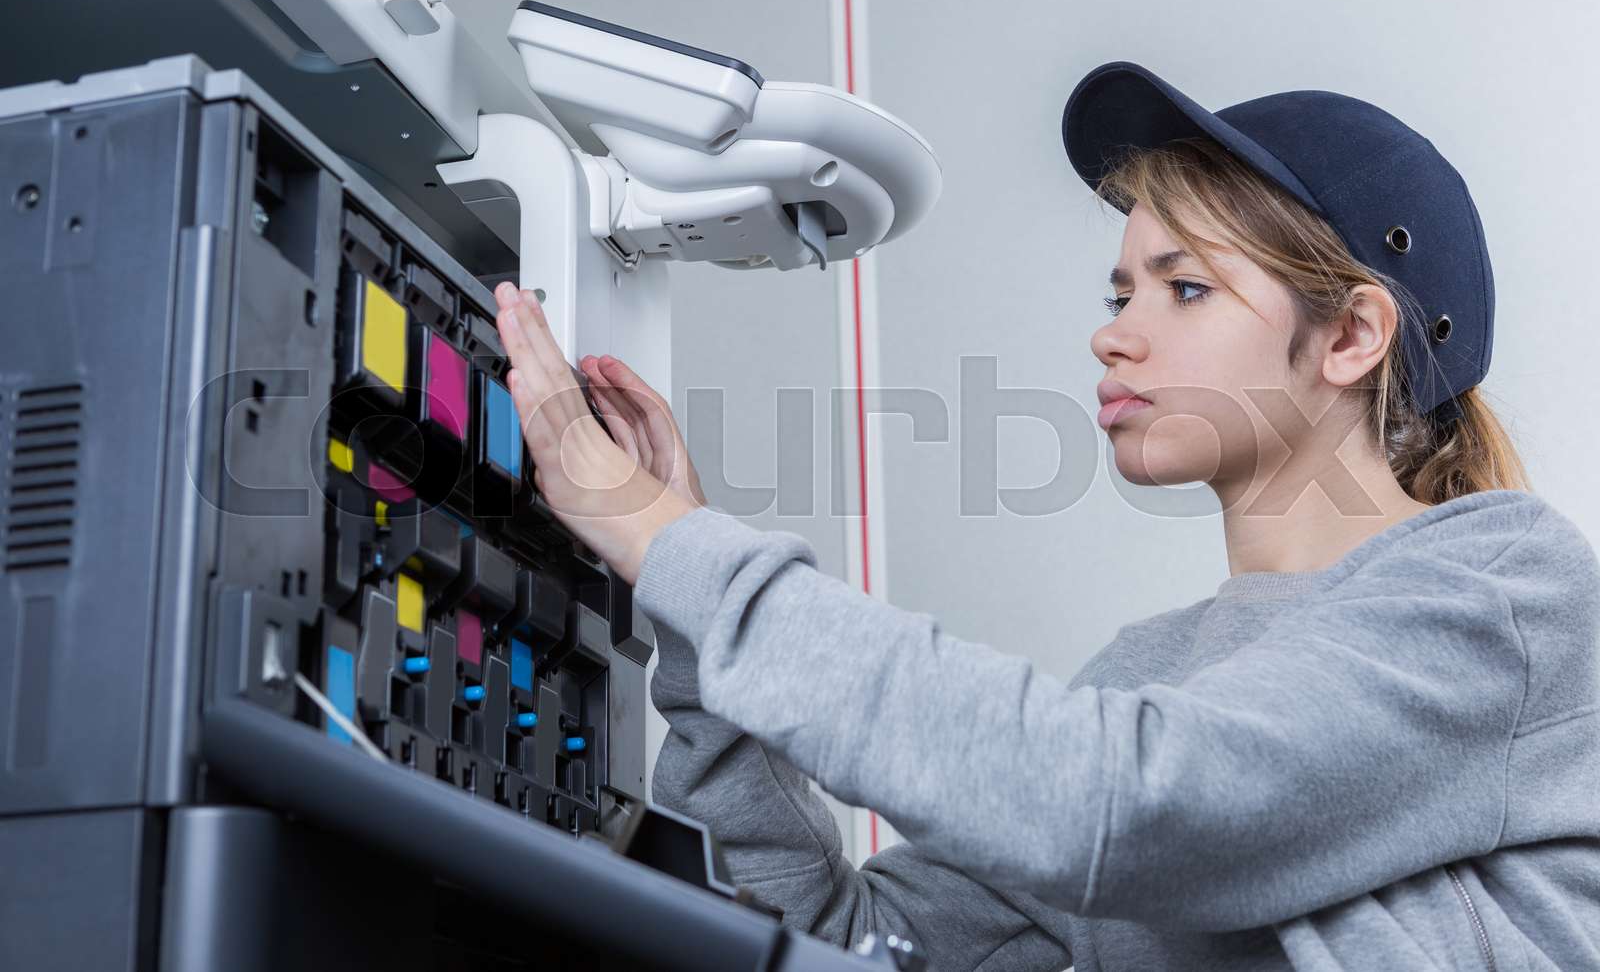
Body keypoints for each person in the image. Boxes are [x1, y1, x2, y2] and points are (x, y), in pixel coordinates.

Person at [489, 62, 1600, 971]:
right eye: (1120, 293)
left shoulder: (1501, 586)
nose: (1111, 334)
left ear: (1352, 337)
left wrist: (678, 547)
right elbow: (842, 943)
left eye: (1185, 287)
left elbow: (1132, 803)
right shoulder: (1144, 679)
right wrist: (685, 598)